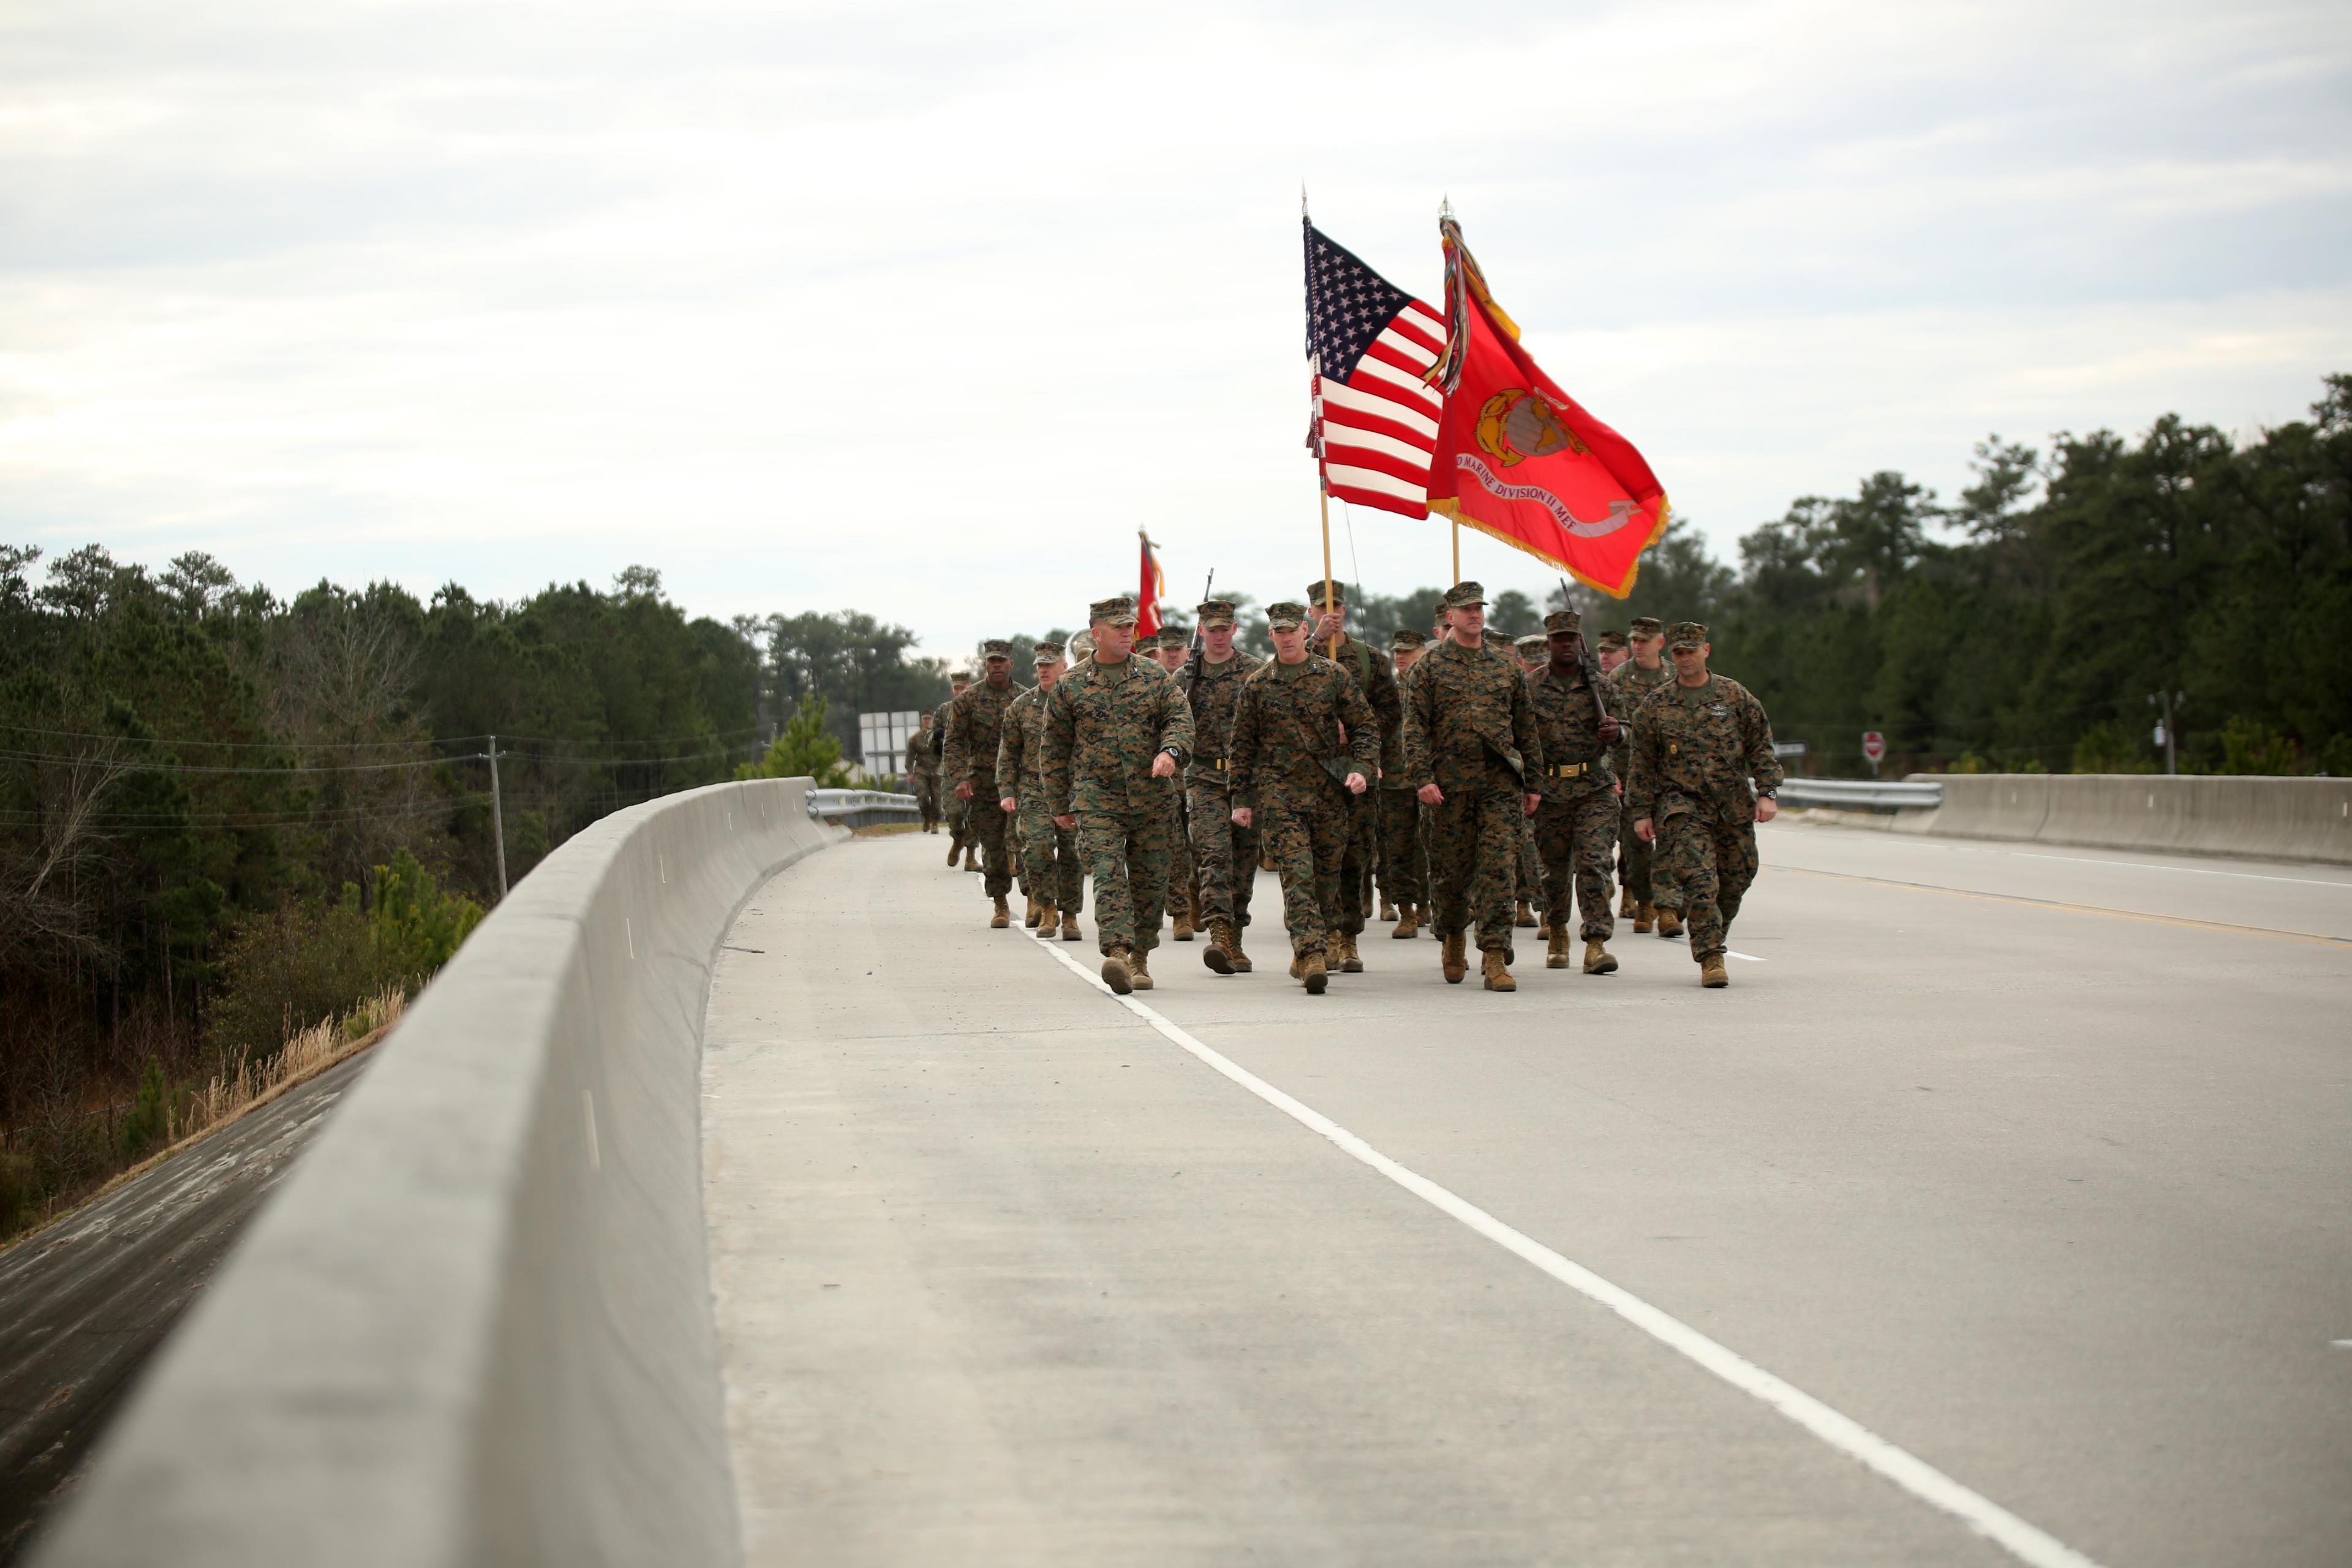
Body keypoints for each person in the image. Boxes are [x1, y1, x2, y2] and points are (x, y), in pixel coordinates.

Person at [1041, 594, 1195, 995]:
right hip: (1098, 799)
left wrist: (1171, 751)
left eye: (1131, 627)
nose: (1129, 633)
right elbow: (1054, 747)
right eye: (1119, 628)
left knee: (1150, 882)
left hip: (1152, 798)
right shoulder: (1071, 685)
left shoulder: (1153, 675)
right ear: (1097, 634)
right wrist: (1059, 804)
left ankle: (1140, 955)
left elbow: (1179, 719)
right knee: (1108, 872)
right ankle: (1117, 951)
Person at [1227, 602, 1380, 995]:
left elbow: (1365, 727)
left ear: (1304, 629)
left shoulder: (1333, 676)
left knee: (1326, 879)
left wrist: (1362, 768)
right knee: (1297, 875)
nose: (1288, 637)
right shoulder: (1259, 684)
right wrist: (1241, 799)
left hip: (1329, 793)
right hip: (1281, 796)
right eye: (1280, 632)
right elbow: (1242, 747)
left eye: (1293, 630)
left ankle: (1316, 940)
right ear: (1271, 636)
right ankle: (1311, 953)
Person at [1401, 582, 1544, 992]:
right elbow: (1415, 730)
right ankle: (1453, 935)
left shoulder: (1505, 666)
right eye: (1465, 609)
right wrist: (1423, 778)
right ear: (1450, 617)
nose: (1474, 614)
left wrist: (1532, 781)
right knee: (1451, 874)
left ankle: (1495, 955)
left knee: (1499, 868)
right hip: (1448, 787)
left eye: (1479, 607)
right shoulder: (1429, 668)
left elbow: (1525, 729)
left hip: (1499, 784)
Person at [1628, 621, 1784, 989]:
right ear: (1672, 655)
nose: (1685, 658)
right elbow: (1642, 762)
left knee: (1739, 876)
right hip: (1681, 806)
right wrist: (1641, 812)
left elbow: (1760, 745)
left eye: (1691, 651)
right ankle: (1711, 956)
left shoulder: (1734, 697)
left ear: (1706, 651)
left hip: (1732, 804)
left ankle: (1715, 928)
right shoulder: (1656, 705)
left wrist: (1768, 792)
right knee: (1700, 882)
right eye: (1678, 652)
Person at [1304, 579, 1401, 974]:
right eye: (1322, 607)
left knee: (1354, 856)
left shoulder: (1370, 659)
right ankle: (1322, 935)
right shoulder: (1302, 653)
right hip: (1313, 775)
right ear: (1310, 612)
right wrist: (1315, 640)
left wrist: (1359, 730)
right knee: (1316, 859)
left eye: (1337, 607)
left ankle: (1348, 937)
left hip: (1357, 771)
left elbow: (1391, 713)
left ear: (1345, 610)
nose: (1331, 613)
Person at [1527, 611, 1623, 974]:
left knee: (1594, 864)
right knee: (1552, 871)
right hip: (1549, 790)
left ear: (1580, 642)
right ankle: (1556, 932)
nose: (1566, 644)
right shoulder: (1531, 687)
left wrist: (1617, 732)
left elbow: (1627, 728)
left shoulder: (1602, 687)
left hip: (1593, 789)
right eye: (1558, 639)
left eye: (1571, 638)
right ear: (1549, 643)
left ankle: (1596, 943)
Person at [1180, 598, 1264, 974]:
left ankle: (1236, 937)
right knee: (1214, 857)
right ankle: (1218, 935)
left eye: (1223, 629)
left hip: (1246, 780)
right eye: (1210, 629)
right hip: (1203, 779)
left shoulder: (1255, 672)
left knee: (1244, 863)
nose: (1217, 635)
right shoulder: (1183, 677)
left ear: (1234, 630)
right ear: (1201, 632)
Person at [997, 641, 1084, 940]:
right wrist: (1007, 790)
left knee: (1073, 851)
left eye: (1050, 665)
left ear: (1064, 667)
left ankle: (1070, 915)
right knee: (1037, 847)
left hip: (1074, 787)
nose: (1044, 670)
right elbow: (1008, 753)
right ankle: (1048, 908)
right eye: (1040, 666)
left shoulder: (1079, 702)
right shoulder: (1021, 707)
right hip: (1034, 786)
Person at [943, 641, 1027, 927]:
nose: (997, 665)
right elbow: (952, 743)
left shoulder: (1024, 699)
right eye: (992, 661)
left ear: (1010, 664)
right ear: (985, 665)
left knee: (1025, 842)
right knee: (993, 848)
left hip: (1018, 784)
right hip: (984, 785)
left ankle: (1035, 901)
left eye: (1002, 661)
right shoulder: (968, 700)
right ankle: (1001, 904)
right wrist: (960, 778)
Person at [1608, 616, 1677, 933]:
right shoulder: (1618, 679)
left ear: (1659, 644)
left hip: (1671, 776)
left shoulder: (1675, 676)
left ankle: (1667, 908)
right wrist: (1611, 774)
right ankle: (1645, 902)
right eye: (1634, 640)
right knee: (1635, 846)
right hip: (1630, 775)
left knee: (1671, 843)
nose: (1638, 646)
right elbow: (1606, 731)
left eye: (1644, 641)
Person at [1150, 627, 1202, 942]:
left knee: (1198, 846)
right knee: (1173, 847)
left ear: (1187, 651)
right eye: (1166, 650)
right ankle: (1179, 912)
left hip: (1199, 777)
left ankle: (1195, 899)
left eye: (1178, 649)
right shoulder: (1150, 683)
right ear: (1158, 653)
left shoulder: (1197, 679)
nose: (1172, 655)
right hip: (1165, 779)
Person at [1378, 630, 1431, 937]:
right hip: (1395, 780)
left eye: (1409, 651)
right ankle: (1407, 910)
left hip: (1429, 780)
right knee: (1398, 848)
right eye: (1398, 651)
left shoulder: (1432, 684)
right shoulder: (1387, 690)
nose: (1401, 656)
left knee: (1430, 847)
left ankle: (1428, 904)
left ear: (1422, 652)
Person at [1510, 633, 1550, 933]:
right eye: (1531, 664)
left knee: (1546, 848)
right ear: (1520, 662)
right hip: (1517, 778)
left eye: (1541, 664)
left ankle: (1547, 908)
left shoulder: (1553, 690)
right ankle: (1525, 903)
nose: (1536, 670)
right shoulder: (1509, 688)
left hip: (1552, 778)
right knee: (1523, 845)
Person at [932, 671, 975, 869]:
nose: (959, 691)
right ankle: (958, 838)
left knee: (976, 816)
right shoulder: (944, 711)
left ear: (970, 686)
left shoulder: (978, 707)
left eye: (963, 687)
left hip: (976, 767)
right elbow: (930, 738)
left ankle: (971, 856)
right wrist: (937, 738)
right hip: (952, 768)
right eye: (956, 688)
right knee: (954, 813)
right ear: (952, 689)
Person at [906, 710, 942, 832]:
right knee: (922, 796)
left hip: (937, 770)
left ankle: (935, 823)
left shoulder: (940, 735)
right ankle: (927, 817)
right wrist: (910, 772)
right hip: (922, 770)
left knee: (937, 798)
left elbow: (947, 752)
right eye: (925, 719)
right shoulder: (915, 738)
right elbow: (910, 756)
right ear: (922, 721)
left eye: (929, 719)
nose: (927, 722)